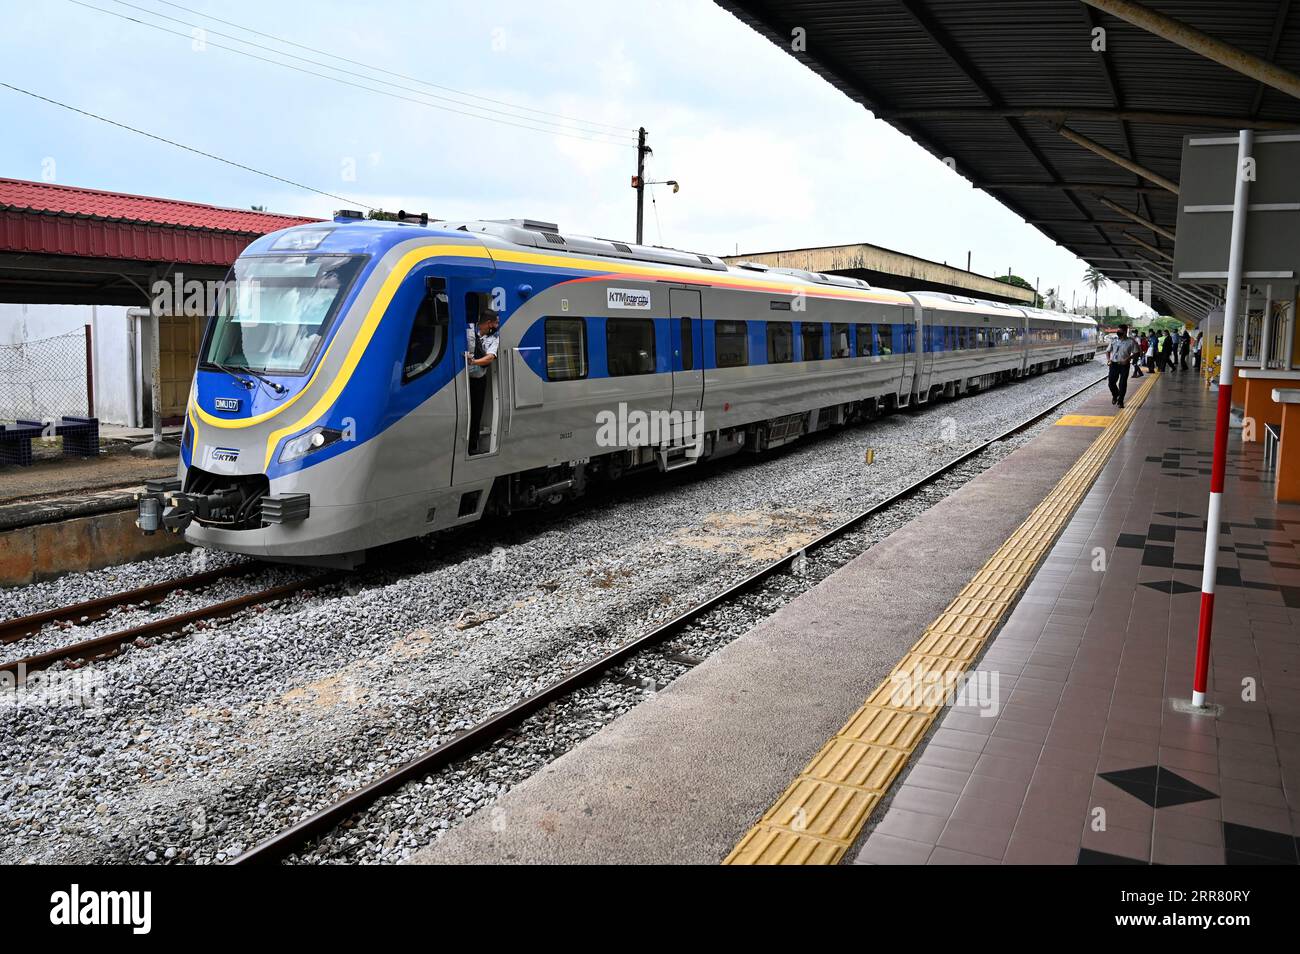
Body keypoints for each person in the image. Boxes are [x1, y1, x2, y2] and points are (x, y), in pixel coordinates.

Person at [464, 300, 500, 455]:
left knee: (476, 413)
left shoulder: (494, 339)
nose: (496, 327)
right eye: (495, 324)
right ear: (488, 323)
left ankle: (472, 446)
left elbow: (490, 358)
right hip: (463, 378)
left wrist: (473, 362)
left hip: (478, 380)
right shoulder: (470, 332)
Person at [1105, 325, 1139, 408]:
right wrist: (1109, 360)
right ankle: (1116, 395)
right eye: (1118, 330)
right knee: (1111, 383)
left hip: (1124, 365)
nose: (1118, 332)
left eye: (1120, 331)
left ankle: (1121, 401)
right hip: (1114, 364)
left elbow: (1136, 353)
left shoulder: (1131, 342)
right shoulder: (1114, 340)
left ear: (1125, 331)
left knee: (1122, 384)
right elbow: (1108, 351)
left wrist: (1128, 359)